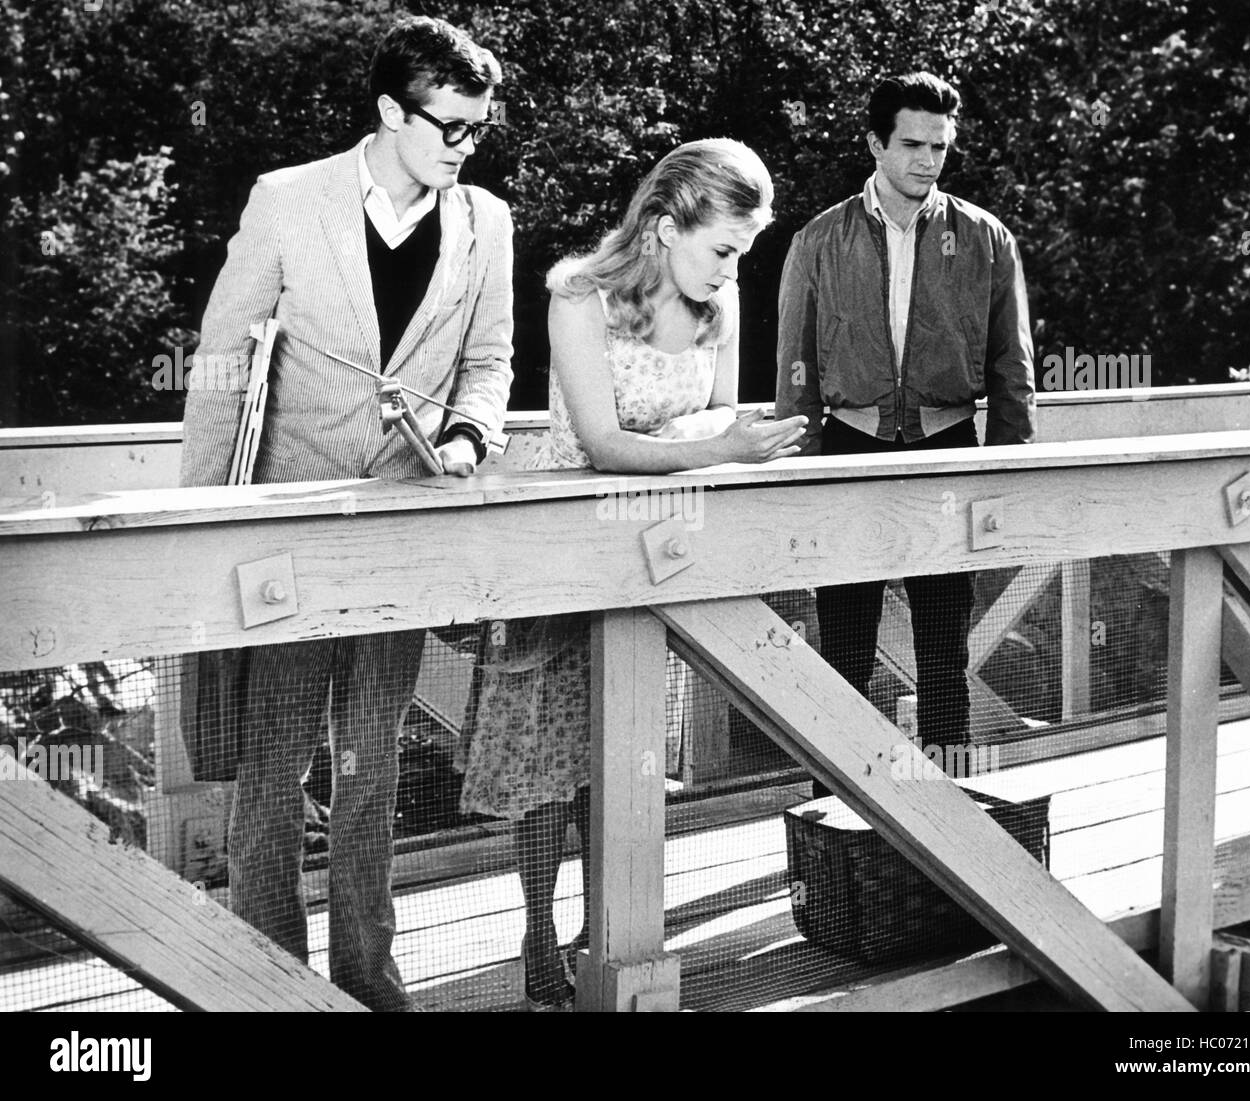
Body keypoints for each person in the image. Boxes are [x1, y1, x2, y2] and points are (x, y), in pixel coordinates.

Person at [178, 15, 513, 1011]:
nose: (462, 147)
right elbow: (223, 364)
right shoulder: (286, 201)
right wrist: (199, 529)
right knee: (271, 776)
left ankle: (369, 981)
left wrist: (468, 439)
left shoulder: (484, 221)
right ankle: (265, 984)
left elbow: (489, 365)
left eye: (476, 130)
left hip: (399, 539)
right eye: (447, 126)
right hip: (284, 541)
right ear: (388, 111)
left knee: (370, 776)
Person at [456, 138, 806, 1009]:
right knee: (542, 761)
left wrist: (725, 439)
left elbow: (723, 409)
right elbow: (606, 443)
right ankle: (537, 924)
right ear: (661, 227)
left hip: (655, 562)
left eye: (744, 253)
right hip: (565, 557)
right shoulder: (579, 294)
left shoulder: (720, 302)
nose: (733, 271)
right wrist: (721, 446)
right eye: (723, 249)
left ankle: (603, 933)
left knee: (624, 757)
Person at [775, 72, 1035, 784]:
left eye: (940, 146)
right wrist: (799, 478)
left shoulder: (986, 238)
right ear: (875, 142)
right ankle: (842, 802)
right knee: (847, 650)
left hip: (949, 449)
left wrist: (1007, 474)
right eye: (913, 143)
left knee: (944, 650)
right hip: (847, 451)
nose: (928, 159)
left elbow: (1014, 367)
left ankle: (953, 803)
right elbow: (793, 372)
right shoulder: (819, 239)